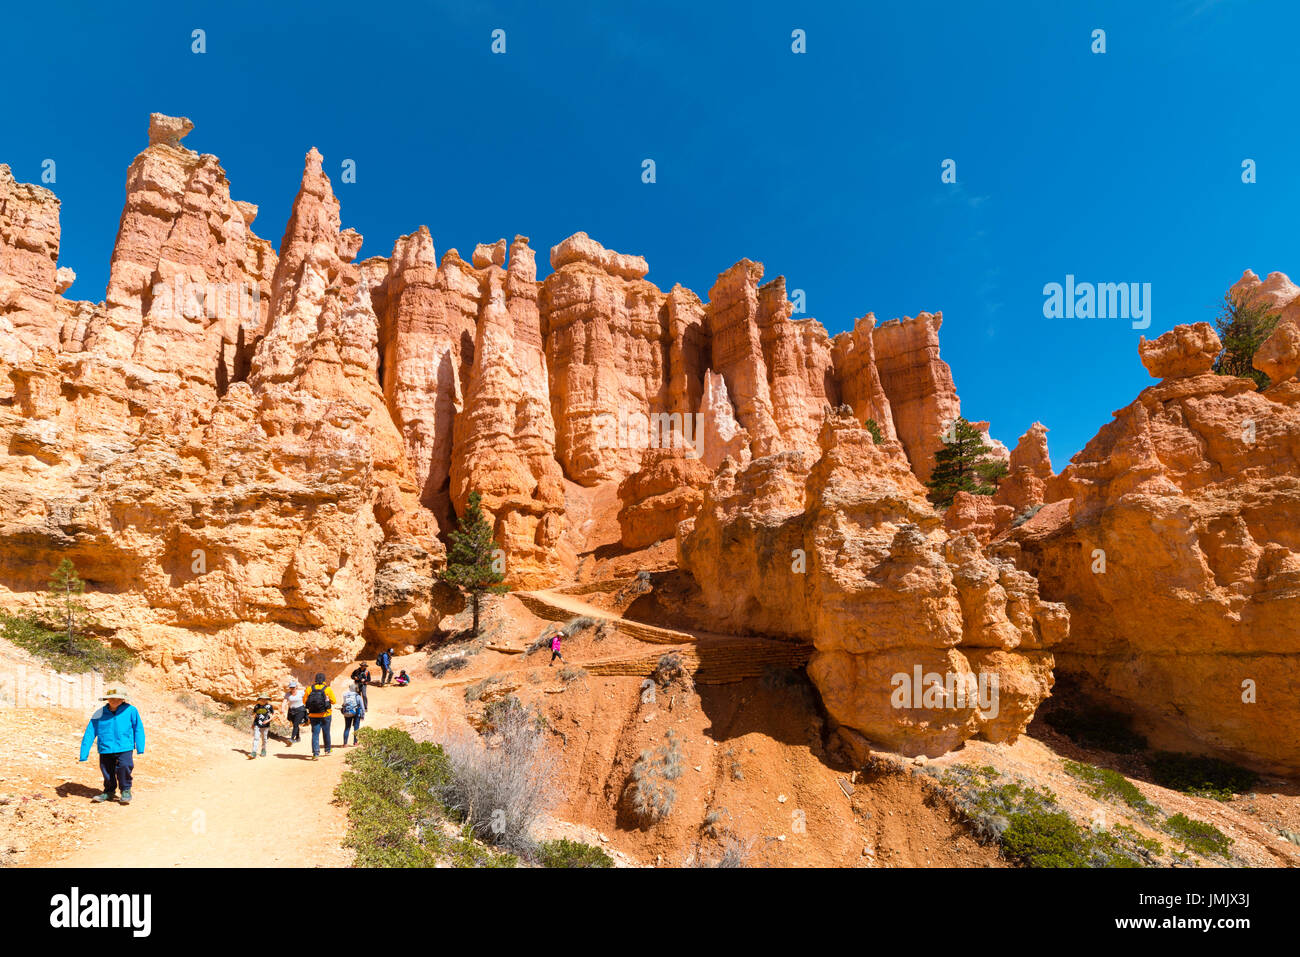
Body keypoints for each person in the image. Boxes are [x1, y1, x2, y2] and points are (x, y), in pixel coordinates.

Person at [78, 687, 146, 805]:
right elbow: (90, 732)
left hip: (125, 747)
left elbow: (138, 728)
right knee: (107, 771)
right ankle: (109, 791)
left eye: (118, 698)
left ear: (123, 699)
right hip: (105, 748)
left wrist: (140, 747)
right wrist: (84, 753)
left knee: (125, 767)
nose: (115, 700)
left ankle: (125, 790)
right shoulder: (99, 713)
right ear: (107, 699)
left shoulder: (131, 710)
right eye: (112, 698)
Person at [304, 673, 336, 760]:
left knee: (315, 734)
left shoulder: (309, 689)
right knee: (326, 732)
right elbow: (334, 701)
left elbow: (304, 701)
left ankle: (315, 753)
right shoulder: (328, 689)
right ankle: (327, 749)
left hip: (313, 715)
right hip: (326, 714)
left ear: (315, 679)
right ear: (324, 680)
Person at [250, 694, 274, 758]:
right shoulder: (257, 706)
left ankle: (263, 750)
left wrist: (268, 721)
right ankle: (254, 752)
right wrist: (253, 724)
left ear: (267, 700)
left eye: (265, 699)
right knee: (256, 738)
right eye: (262, 699)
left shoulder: (269, 706)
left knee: (264, 738)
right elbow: (256, 715)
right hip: (257, 724)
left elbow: (273, 715)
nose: (263, 700)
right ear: (259, 699)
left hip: (265, 725)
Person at [284, 678, 307, 745]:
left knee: (296, 724)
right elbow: (285, 701)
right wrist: (282, 708)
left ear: (296, 687)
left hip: (300, 710)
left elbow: (307, 696)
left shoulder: (301, 692)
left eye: (293, 687)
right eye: (291, 687)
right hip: (292, 711)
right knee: (295, 725)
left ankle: (292, 739)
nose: (292, 689)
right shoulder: (287, 694)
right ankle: (298, 738)